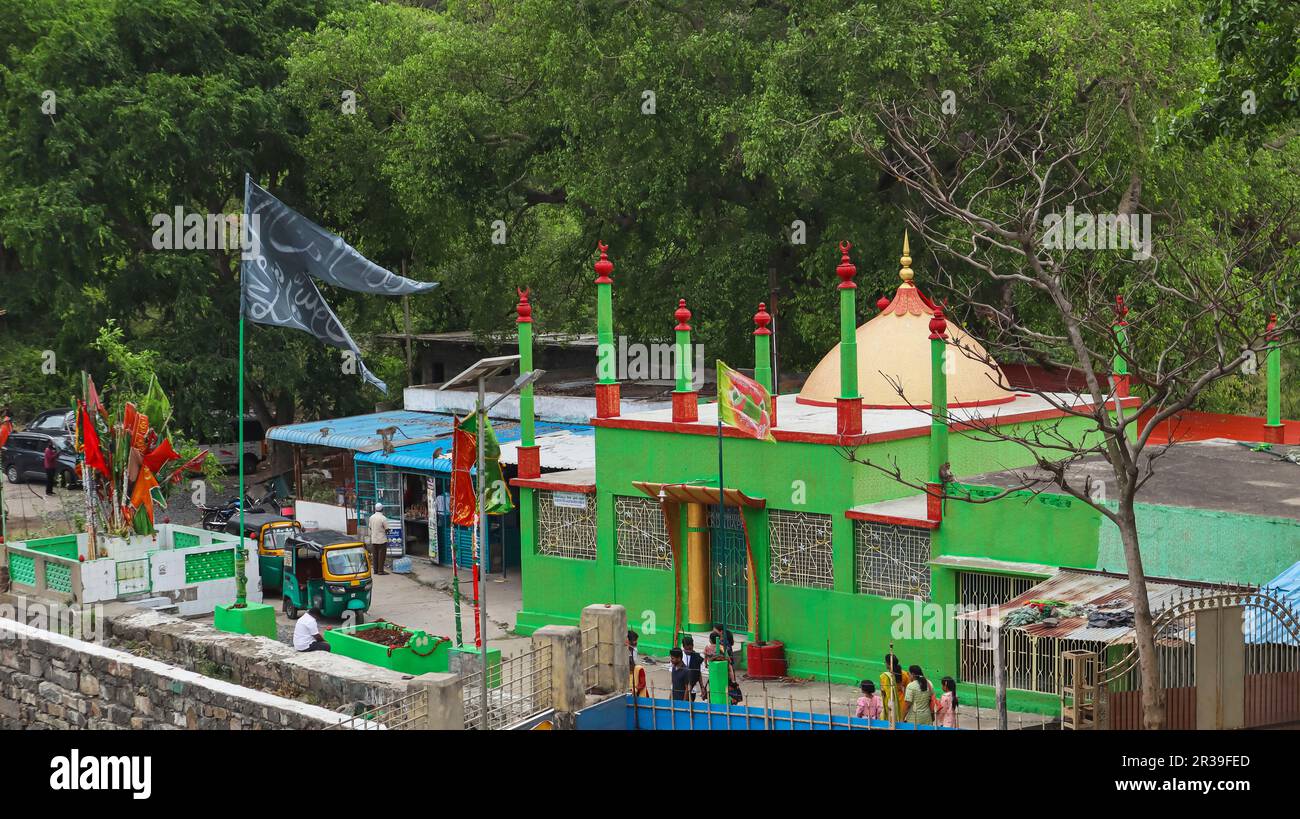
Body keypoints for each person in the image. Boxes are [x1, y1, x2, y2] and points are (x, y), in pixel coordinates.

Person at [879, 653, 911, 722]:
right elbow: (908, 689)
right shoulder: (904, 674)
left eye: (885, 662)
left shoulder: (884, 676)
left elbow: (883, 692)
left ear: (888, 663)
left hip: (890, 703)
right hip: (902, 704)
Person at [367, 501, 389, 575]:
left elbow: (370, 527)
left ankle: (375, 570)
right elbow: (387, 529)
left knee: (375, 555)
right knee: (381, 556)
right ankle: (380, 571)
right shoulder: (383, 518)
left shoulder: (371, 517)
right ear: (382, 509)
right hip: (382, 539)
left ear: (375, 509)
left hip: (374, 539)